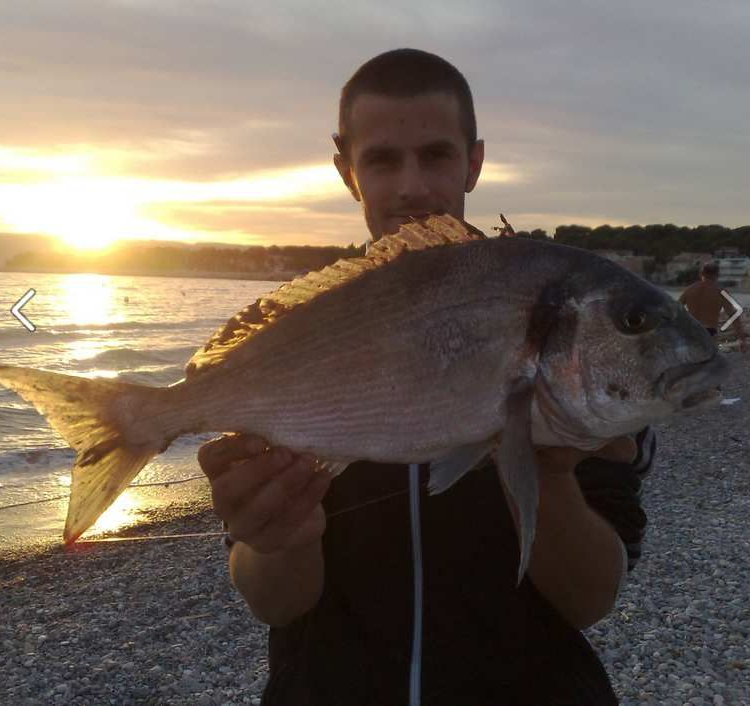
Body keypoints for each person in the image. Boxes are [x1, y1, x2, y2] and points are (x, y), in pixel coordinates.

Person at [198, 49, 655, 705]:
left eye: (436, 155)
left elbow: (588, 600)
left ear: (473, 160)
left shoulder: (570, 331)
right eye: (382, 159)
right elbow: (277, 604)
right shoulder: (298, 339)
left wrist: (547, 474)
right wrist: (277, 538)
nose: (411, 185)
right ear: (345, 171)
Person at [679, 262, 746, 351]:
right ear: (717, 275)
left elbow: (673, 311)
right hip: (709, 332)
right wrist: (741, 339)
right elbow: (734, 316)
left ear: (701, 274)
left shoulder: (688, 290)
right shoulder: (721, 291)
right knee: (709, 361)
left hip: (691, 331)